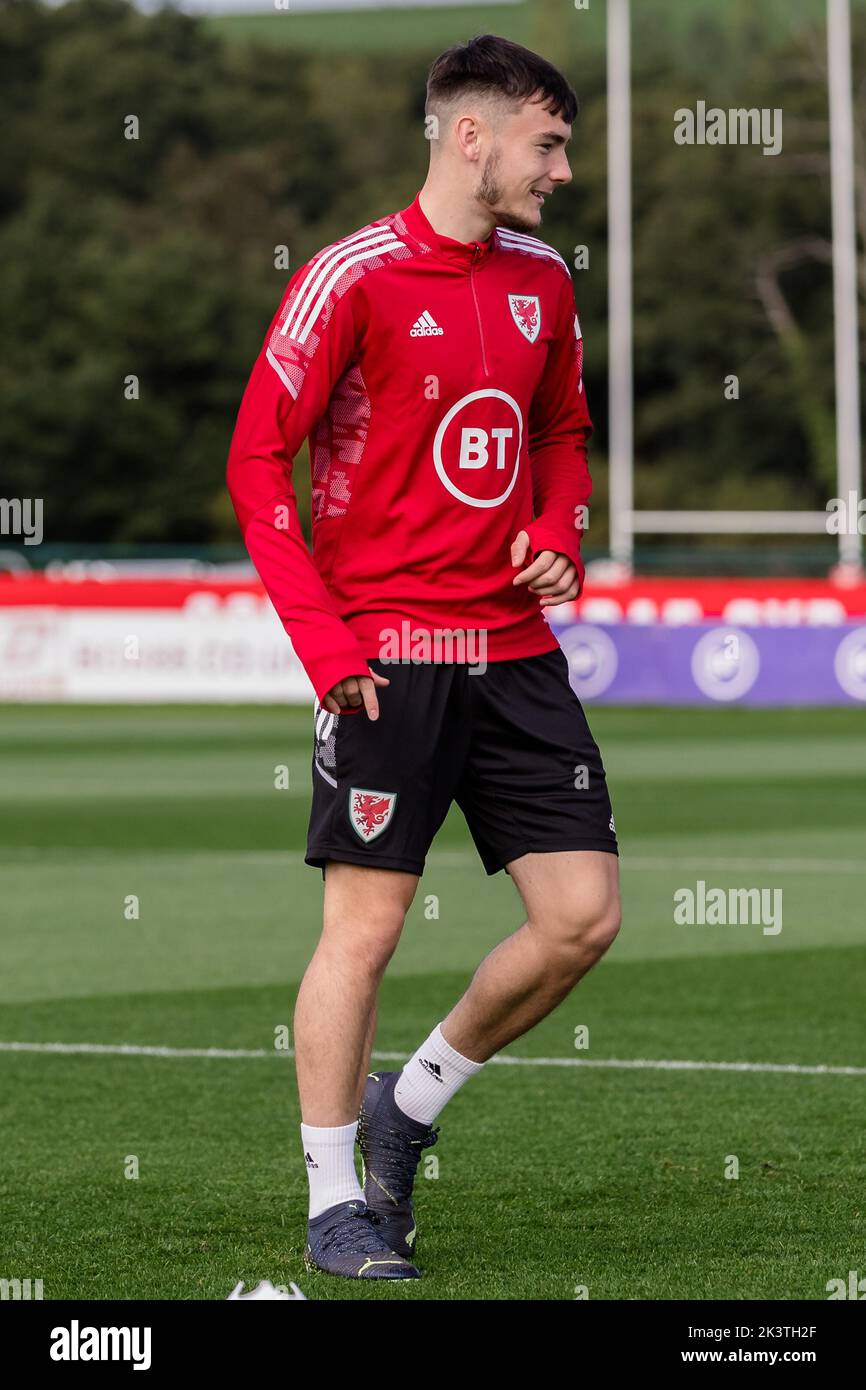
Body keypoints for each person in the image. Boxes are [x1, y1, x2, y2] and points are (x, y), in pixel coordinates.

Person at [226, 32, 620, 1282]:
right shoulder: (351, 275)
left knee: (580, 918)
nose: (560, 168)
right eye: (547, 143)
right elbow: (254, 463)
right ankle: (334, 1200)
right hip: (386, 651)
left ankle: (408, 1109)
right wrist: (323, 639)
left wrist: (557, 532)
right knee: (366, 928)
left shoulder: (543, 279)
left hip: (513, 648)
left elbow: (560, 432)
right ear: (473, 135)